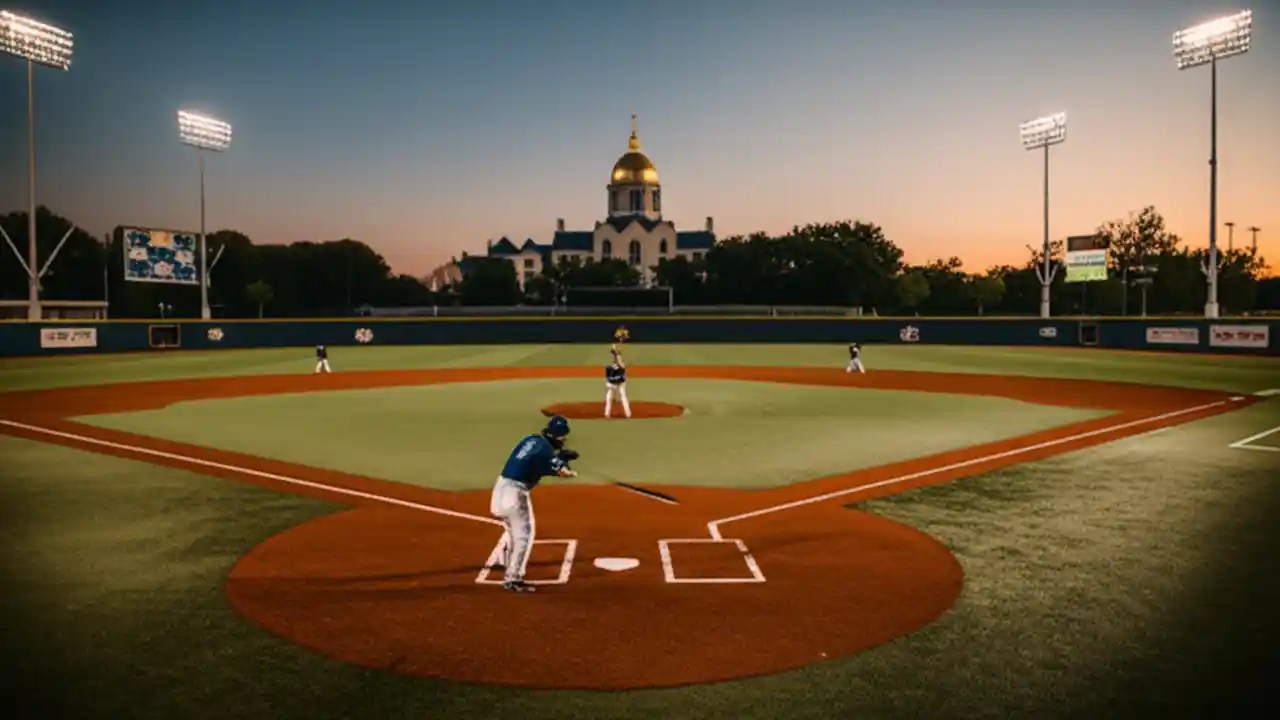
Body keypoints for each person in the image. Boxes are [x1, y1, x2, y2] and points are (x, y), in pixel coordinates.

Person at [489, 415, 577, 593]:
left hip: (499, 490)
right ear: (556, 436)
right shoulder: (546, 452)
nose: (564, 440)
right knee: (523, 536)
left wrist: (558, 458)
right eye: (562, 437)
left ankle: (509, 565)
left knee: (513, 531)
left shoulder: (531, 439)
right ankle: (513, 578)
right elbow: (562, 472)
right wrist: (567, 467)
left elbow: (535, 460)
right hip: (514, 494)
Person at [605, 349, 631, 418]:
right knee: (609, 397)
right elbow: (616, 362)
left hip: (620, 384)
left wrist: (616, 354)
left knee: (622, 397)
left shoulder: (621, 368)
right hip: (613, 384)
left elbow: (619, 362)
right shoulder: (611, 368)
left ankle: (628, 413)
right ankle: (607, 414)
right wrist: (615, 354)